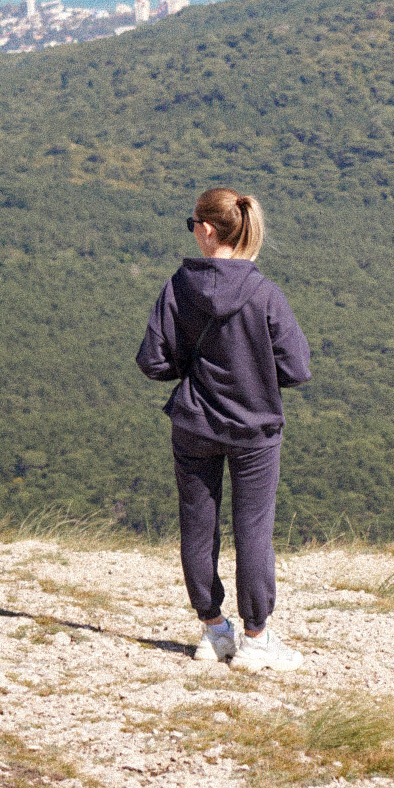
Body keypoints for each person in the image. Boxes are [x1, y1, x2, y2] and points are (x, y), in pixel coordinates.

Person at [136, 186, 311, 670]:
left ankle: (214, 632)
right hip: (255, 430)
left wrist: (192, 371)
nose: (192, 229)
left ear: (207, 230)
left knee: (198, 527)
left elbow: (153, 361)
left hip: (194, 424)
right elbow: (296, 368)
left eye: (191, 222)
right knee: (253, 531)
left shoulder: (178, 287)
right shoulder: (264, 294)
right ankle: (256, 639)